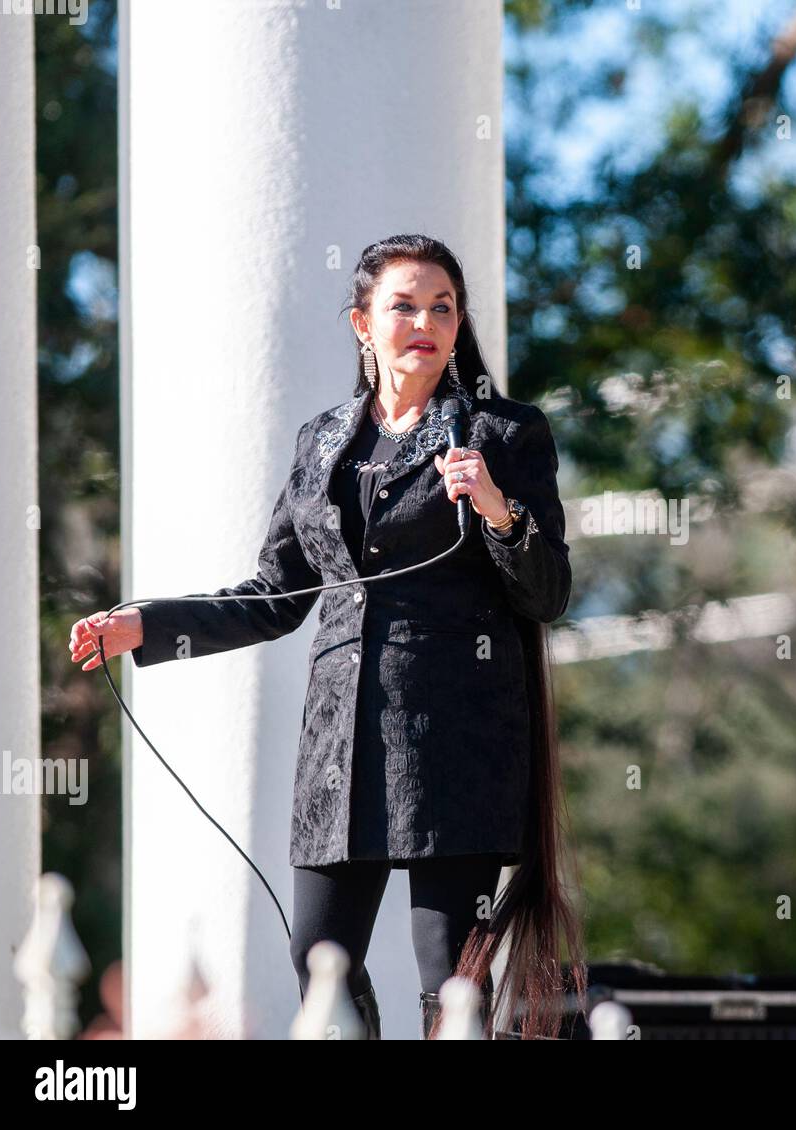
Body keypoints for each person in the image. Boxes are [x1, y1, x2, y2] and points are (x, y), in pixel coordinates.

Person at [68, 234, 587, 1040]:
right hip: (338, 750)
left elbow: (548, 593)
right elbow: (275, 597)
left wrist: (496, 509)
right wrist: (146, 625)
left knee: (450, 970)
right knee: (319, 960)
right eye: (404, 306)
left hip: (459, 741)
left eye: (443, 306)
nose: (427, 321)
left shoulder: (503, 433)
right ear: (361, 323)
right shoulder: (321, 443)